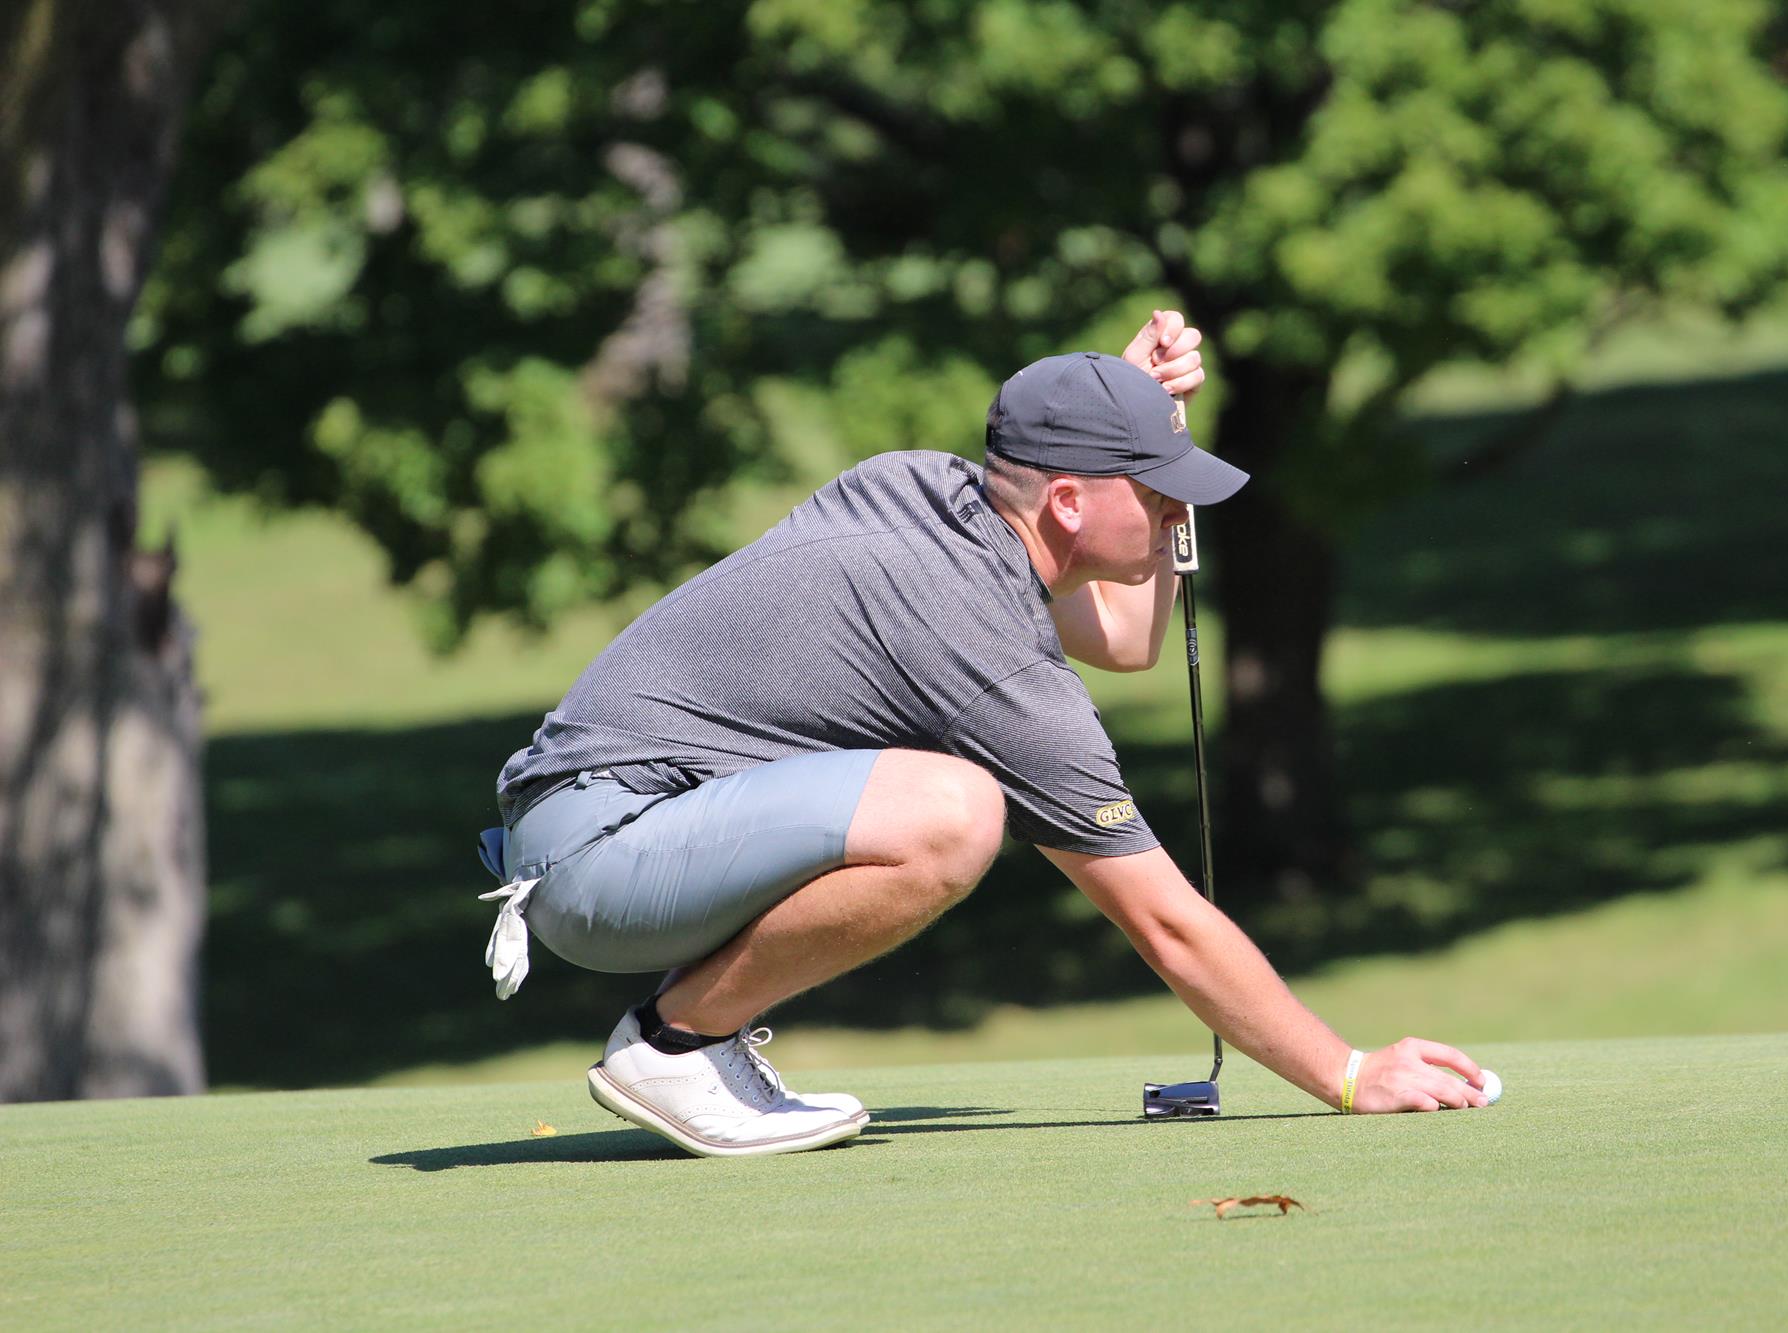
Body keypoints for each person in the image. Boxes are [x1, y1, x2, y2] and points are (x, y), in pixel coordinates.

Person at [476, 310, 1491, 1158]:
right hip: (597, 860)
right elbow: (1164, 921)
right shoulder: (984, 654)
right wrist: (1345, 1073)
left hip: (594, 823)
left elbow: (1125, 638)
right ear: (1064, 498)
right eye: (1153, 488)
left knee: (947, 796)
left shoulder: (931, 490)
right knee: (955, 810)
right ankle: (675, 1042)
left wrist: (1126, 414)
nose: (1177, 506)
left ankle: (687, 1038)